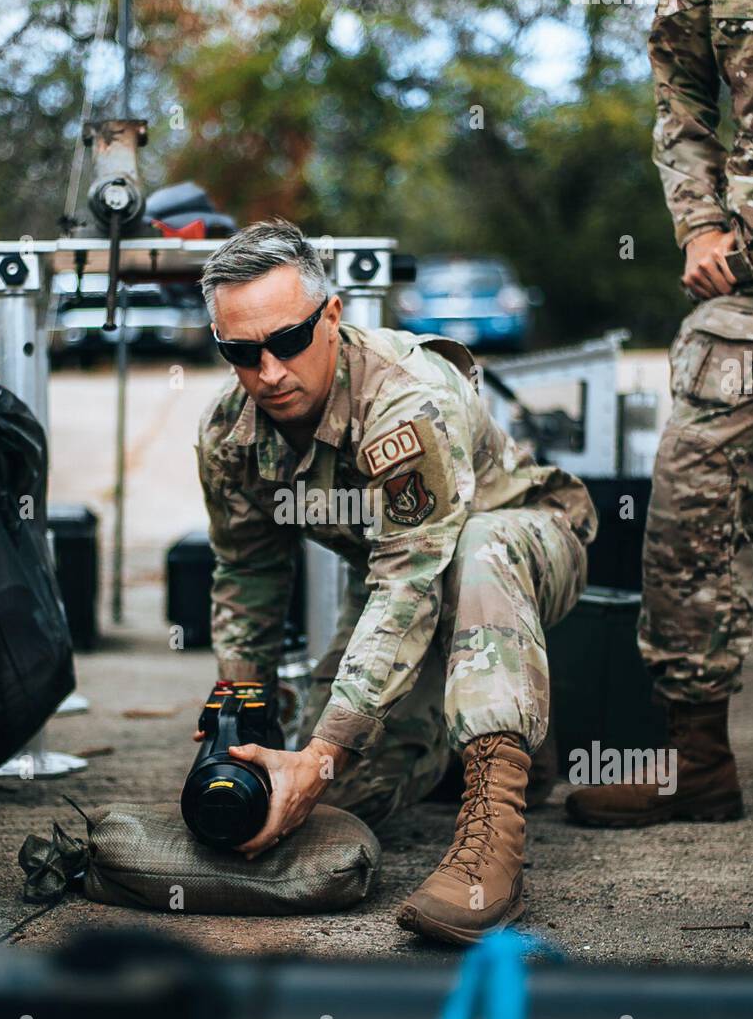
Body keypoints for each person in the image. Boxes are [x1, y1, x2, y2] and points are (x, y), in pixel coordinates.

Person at [197, 219, 596, 944]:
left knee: (478, 546)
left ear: (333, 315)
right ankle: (475, 740)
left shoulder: (407, 399)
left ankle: (493, 837)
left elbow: (414, 580)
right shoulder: (230, 436)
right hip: (399, 580)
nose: (271, 372)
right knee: (330, 800)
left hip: (523, 543)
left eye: (288, 340)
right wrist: (241, 721)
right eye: (241, 352)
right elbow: (247, 572)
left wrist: (322, 749)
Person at [567, 0, 753, 827]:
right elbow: (679, 74)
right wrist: (697, 220)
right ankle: (698, 758)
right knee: (686, 503)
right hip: (752, 282)